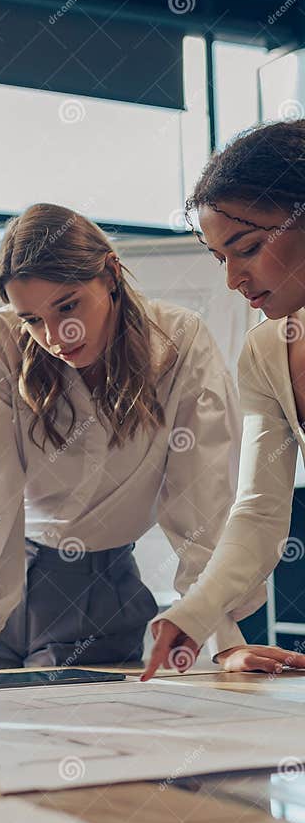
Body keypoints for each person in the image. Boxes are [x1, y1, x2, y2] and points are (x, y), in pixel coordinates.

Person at [0, 202, 282, 679]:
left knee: (78, 745)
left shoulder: (179, 342)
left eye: (67, 306)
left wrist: (223, 637)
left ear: (109, 274)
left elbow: (204, 497)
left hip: (98, 595)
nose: (56, 335)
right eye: (32, 319)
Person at [142, 119, 305, 679]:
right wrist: (193, 614)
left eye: (249, 247)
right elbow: (260, 512)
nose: (235, 278)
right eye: (220, 258)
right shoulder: (266, 353)